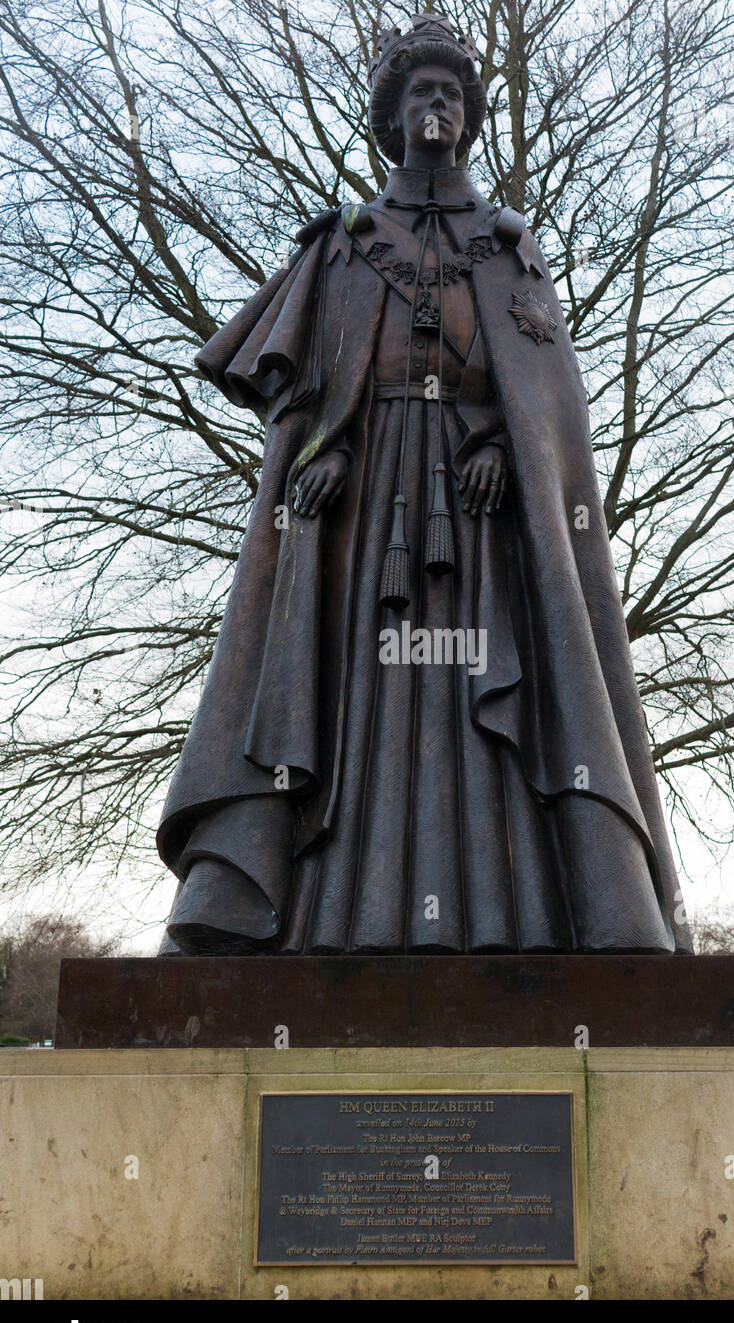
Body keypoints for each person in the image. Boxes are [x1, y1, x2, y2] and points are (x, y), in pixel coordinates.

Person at [156, 13, 691, 956]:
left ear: (470, 116)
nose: (435, 106)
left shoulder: (508, 243)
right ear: (391, 118)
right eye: (418, 94)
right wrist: (323, 450)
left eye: (450, 93)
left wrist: (494, 437)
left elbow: (544, 398)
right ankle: (332, 922)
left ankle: (516, 918)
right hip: (367, 514)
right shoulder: (346, 242)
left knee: (481, 690)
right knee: (363, 689)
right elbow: (307, 379)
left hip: (484, 515)